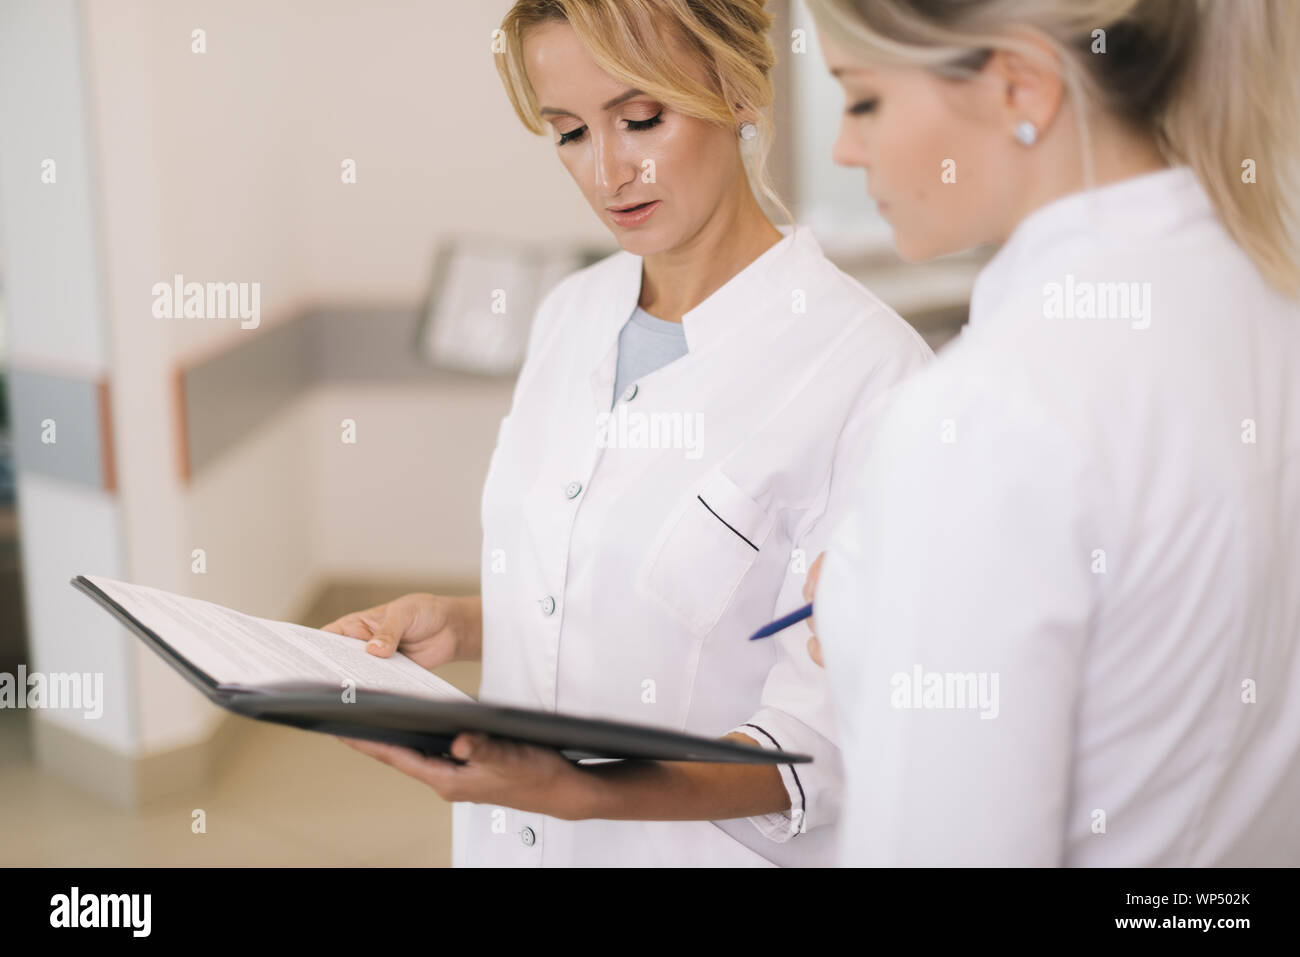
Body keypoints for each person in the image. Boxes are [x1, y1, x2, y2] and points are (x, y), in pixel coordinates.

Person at [323, 0, 932, 866]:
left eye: (641, 118)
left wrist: (583, 790)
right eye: (569, 132)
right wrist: (458, 623)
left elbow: (821, 746)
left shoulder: (867, 372)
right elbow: (593, 590)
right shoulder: (571, 315)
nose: (609, 171)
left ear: (738, 89)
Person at [803, 0, 1300, 865]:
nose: (848, 147)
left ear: (1020, 88)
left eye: (865, 99)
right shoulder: (1268, 311)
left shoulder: (988, 416)